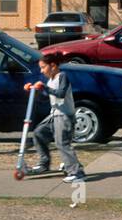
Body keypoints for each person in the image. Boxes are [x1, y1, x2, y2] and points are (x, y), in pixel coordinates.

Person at [26, 52, 86, 183]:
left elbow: (61, 93)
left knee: (62, 143)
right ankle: (44, 164)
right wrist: (33, 91)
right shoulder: (51, 80)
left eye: (43, 67)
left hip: (64, 116)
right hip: (54, 115)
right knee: (38, 134)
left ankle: (77, 172)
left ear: (52, 65)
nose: (41, 71)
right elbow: (45, 98)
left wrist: (45, 88)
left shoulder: (62, 76)